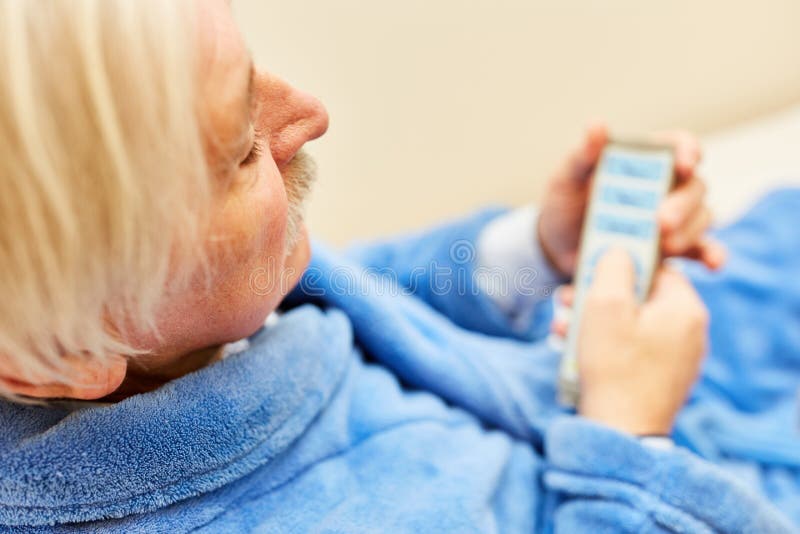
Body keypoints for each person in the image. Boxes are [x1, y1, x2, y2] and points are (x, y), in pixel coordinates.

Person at [0, 0, 795, 531]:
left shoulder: (172, 323)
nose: (311, 115)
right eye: (241, 149)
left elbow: (361, 295)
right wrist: (632, 431)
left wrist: (536, 252)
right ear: (70, 358)